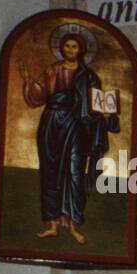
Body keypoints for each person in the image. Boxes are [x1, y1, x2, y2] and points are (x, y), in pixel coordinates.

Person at [19, 28, 119, 245]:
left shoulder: (88, 76)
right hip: (52, 123)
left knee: (74, 172)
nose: (70, 49)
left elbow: (96, 103)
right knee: (50, 171)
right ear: (61, 47)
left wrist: (105, 113)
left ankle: (73, 224)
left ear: (81, 50)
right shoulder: (53, 70)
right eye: (67, 45)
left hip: (76, 126)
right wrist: (28, 81)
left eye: (74, 46)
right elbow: (39, 95)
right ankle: (52, 224)